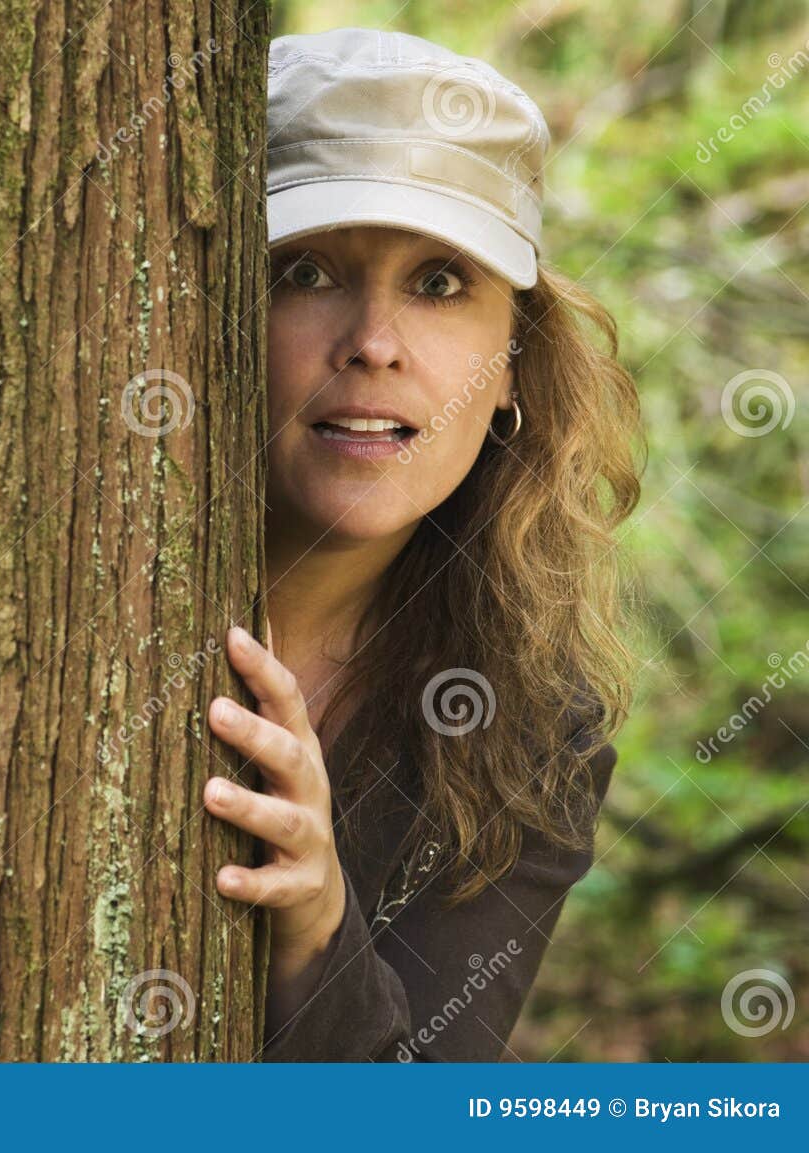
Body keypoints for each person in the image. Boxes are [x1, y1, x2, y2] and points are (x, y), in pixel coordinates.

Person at [203, 27, 643, 1060]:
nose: (372, 341)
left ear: (512, 368)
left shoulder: (533, 733)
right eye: (304, 270)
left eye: (440, 282)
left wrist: (318, 928)